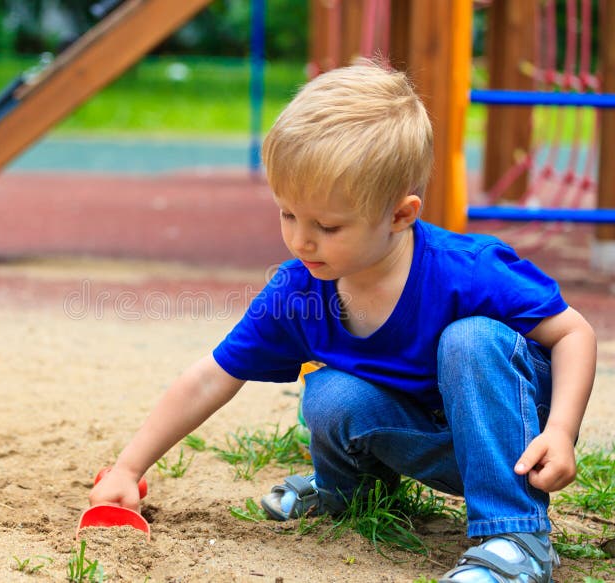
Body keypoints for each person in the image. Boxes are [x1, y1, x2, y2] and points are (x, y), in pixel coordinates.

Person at [89, 58, 597, 582]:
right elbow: (212, 376)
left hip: (514, 442)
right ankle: (350, 494)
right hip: (429, 444)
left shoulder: (467, 271)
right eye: (288, 214)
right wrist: (128, 468)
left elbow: (573, 333)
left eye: (328, 226)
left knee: (470, 339)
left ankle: (514, 536)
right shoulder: (300, 290)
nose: (301, 240)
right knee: (330, 392)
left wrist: (560, 431)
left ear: (401, 215)